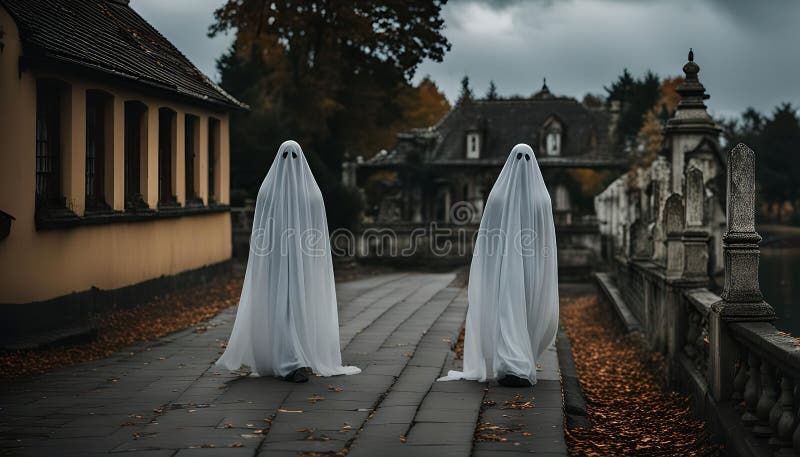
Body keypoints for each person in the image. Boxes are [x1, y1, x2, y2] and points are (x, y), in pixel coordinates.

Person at [216, 140, 360, 382]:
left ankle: (298, 357)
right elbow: (261, 233)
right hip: (275, 263)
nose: (290, 163)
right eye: (286, 156)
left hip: (302, 264)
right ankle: (289, 360)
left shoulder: (307, 195)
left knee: (297, 307)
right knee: (280, 307)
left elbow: (317, 234)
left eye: (294, 157)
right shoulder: (270, 193)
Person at [439, 144, 559, 387]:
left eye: (526, 158)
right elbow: (489, 235)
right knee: (509, 311)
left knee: (521, 312)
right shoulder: (535, 198)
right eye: (520, 158)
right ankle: (512, 365)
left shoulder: (507, 197)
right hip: (512, 268)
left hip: (527, 268)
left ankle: (520, 360)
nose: (523, 163)